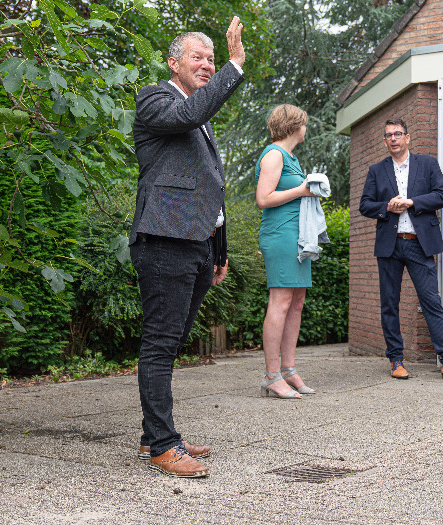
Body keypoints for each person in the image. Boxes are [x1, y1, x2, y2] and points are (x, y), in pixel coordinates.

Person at [128, 19, 245, 478]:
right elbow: (187, 115)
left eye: (212, 59)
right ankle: (162, 445)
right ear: (173, 62)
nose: (207, 64)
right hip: (164, 241)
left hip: (197, 245)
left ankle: (150, 436)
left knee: (172, 342)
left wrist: (220, 248)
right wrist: (233, 69)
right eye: (198, 57)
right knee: (160, 343)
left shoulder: (200, 113)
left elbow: (209, 185)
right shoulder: (155, 99)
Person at [359, 118, 443, 383]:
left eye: (397, 134)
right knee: (389, 304)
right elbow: (365, 205)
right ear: (385, 142)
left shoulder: (427, 164)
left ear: (408, 138)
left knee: (431, 302)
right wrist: (387, 207)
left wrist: (412, 201)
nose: (393, 138)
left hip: (419, 243)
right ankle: (396, 360)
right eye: (388, 135)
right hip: (389, 244)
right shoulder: (376, 170)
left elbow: (442, 196)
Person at [254, 104, 316, 399]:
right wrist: (303, 189)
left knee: (297, 301)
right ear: (294, 126)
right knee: (280, 302)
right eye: (303, 124)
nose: (306, 129)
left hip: (297, 237)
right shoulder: (275, 154)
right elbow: (263, 199)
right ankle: (271, 375)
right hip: (280, 236)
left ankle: (289, 371)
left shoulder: (291, 156)